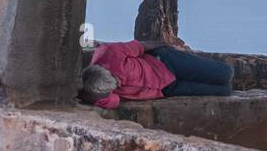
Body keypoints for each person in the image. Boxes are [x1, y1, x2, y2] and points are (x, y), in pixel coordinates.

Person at [79, 40, 233, 109]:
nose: (119, 85)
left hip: (165, 63)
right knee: (225, 91)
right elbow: (113, 101)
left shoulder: (110, 52)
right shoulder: (99, 91)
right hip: (166, 89)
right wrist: (87, 96)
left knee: (226, 74)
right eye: (113, 89)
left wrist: (167, 45)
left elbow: (141, 46)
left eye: (116, 80)